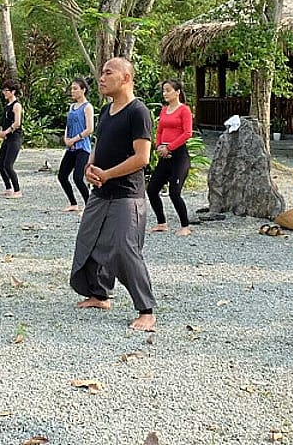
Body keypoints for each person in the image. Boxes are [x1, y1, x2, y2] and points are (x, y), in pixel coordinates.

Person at [70, 57, 157, 332]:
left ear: (126, 78)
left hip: (127, 194)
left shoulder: (138, 112)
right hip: (101, 190)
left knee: (123, 248)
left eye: (109, 72)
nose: (102, 77)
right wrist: (90, 166)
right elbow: (99, 144)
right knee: (90, 240)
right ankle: (99, 294)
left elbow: (142, 157)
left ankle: (146, 310)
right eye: (101, 73)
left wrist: (108, 174)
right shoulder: (107, 111)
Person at [147, 79, 194, 236]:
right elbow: (159, 130)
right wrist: (159, 146)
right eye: (163, 91)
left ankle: (185, 226)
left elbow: (187, 133)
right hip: (164, 155)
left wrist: (169, 147)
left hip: (179, 156)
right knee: (152, 189)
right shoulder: (164, 110)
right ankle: (161, 222)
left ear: (177, 92)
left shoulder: (184, 110)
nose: (165, 93)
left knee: (175, 192)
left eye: (168, 90)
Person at [56, 78, 94, 212]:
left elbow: (90, 129)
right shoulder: (72, 107)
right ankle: (73, 203)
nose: (72, 91)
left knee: (78, 177)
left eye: (75, 88)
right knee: (62, 176)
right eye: (72, 88)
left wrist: (75, 139)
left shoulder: (87, 107)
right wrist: (67, 138)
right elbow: (69, 124)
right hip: (70, 147)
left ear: (83, 90)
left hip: (82, 147)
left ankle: (89, 205)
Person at [0, 79, 24, 198]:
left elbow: (17, 123)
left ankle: (17, 190)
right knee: (0, 163)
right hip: (7, 138)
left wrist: (6, 131)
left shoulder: (16, 105)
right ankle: (8, 187)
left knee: (8, 164)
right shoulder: (7, 106)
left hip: (15, 138)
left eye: (6, 90)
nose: (4, 92)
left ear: (13, 91)